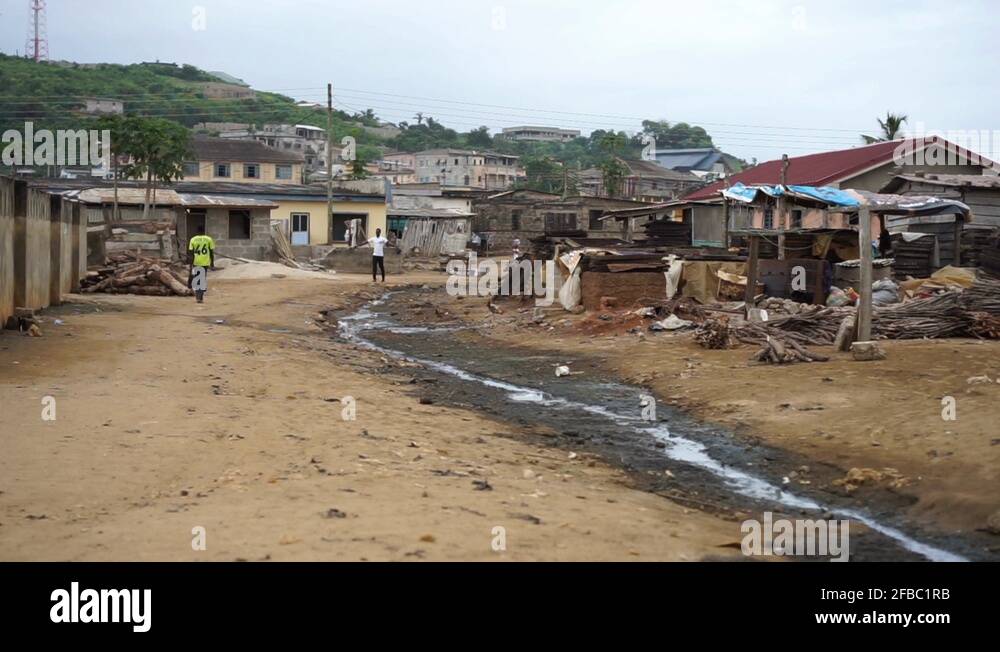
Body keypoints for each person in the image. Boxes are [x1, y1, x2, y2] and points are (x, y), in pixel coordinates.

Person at [187, 225, 215, 303]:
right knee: (202, 279)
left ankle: (198, 297)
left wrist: (190, 264)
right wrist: (212, 263)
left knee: (197, 279)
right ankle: (200, 297)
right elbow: (211, 253)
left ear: (197, 231)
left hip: (196, 262)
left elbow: (191, 253)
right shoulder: (209, 239)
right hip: (205, 262)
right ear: (204, 231)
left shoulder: (193, 239)